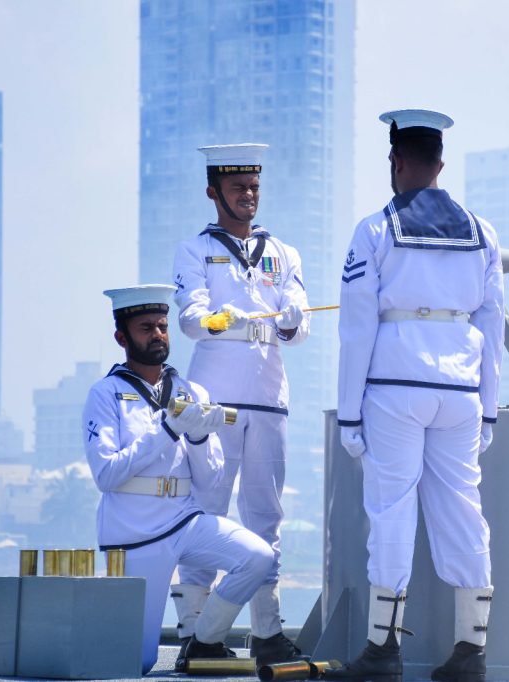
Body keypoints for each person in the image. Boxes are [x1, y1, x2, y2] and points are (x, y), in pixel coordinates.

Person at [330, 110, 505, 682]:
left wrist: (350, 414)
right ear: (440, 164)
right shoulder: (482, 232)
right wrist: (489, 408)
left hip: (395, 388)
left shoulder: (375, 230)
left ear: (396, 161)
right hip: (459, 388)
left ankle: (383, 650)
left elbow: (356, 328)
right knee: (463, 509)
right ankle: (471, 651)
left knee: (392, 508)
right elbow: (493, 323)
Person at [82, 284, 278, 674]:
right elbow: (106, 474)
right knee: (134, 662)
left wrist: (201, 436)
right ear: (122, 337)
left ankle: (203, 641)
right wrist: (169, 429)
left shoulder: (192, 390)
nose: (157, 334)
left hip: (184, 520)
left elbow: (211, 484)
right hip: (134, 531)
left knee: (258, 558)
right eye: (145, 328)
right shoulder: (105, 394)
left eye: (162, 326)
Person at [170, 144, 310, 665]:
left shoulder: (284, 252)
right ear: (214, 193)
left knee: (266, 516)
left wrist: (293, 316)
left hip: (269, 400)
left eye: (253, 187)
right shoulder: (194, 250)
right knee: (208, 512)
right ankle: (195, 632)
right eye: (237, 188)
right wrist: (218, 320)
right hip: (215, 402)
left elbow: (298, 330)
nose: (248, 196)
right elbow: (189, 319)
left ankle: (267, 631)